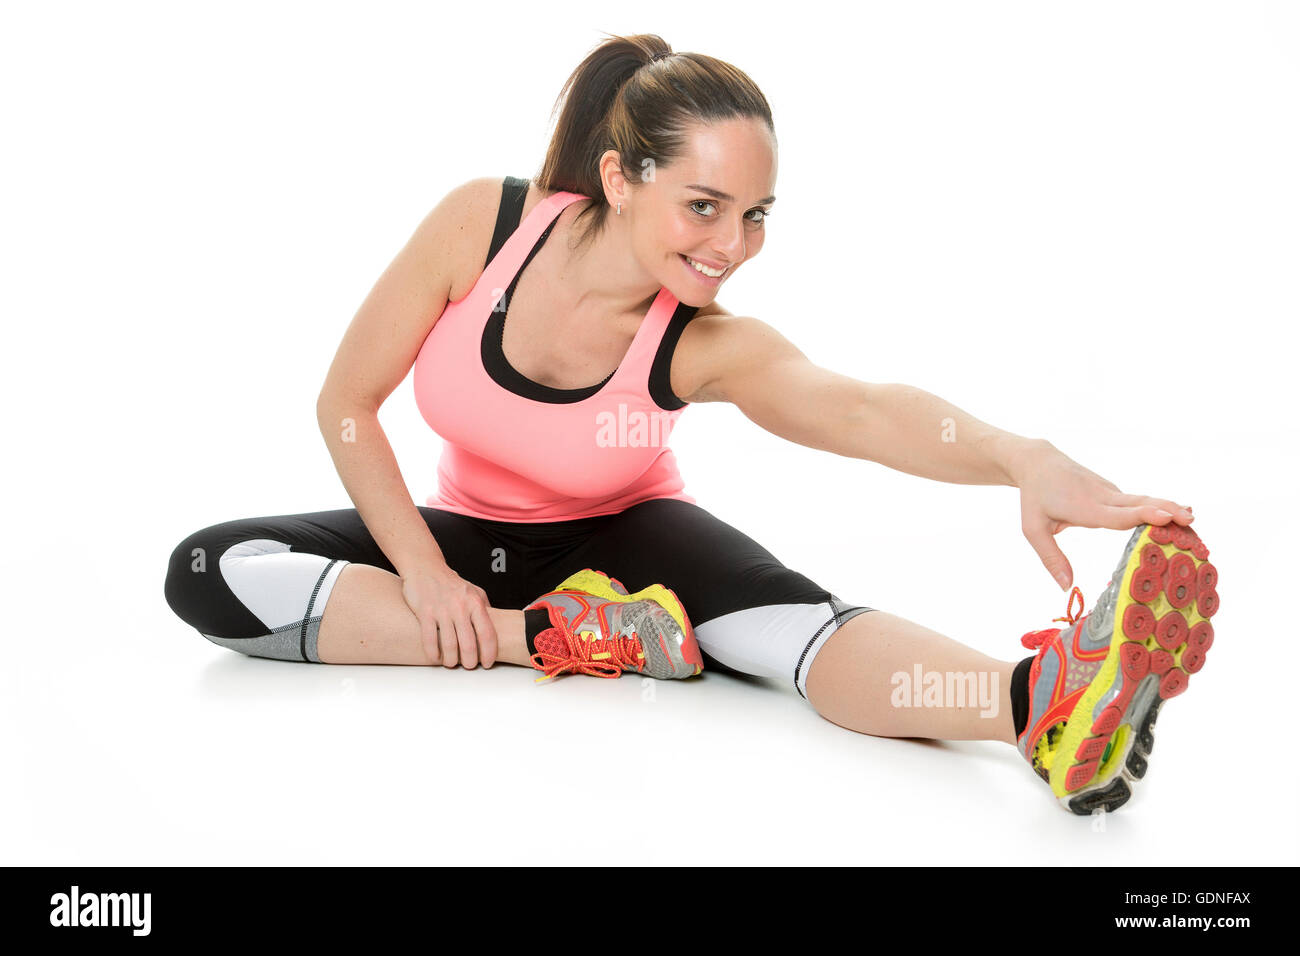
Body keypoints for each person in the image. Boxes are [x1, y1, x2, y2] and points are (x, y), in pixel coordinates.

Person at [163, 33, 1219, 815]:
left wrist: (1018, 457)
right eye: (704, 205)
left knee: (791, 630)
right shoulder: (480, 224)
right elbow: (345, 404)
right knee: (209, 569)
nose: (733, 245)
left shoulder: (698, 340)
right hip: (461, 539)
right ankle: (543, 638)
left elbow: (856, 405)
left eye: (756, 215)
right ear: (620, 178)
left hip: (631, 546)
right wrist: (434, 582)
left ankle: (1038, 703)